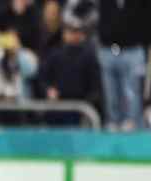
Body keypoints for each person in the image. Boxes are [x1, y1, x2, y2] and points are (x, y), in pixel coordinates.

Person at [96, 0, 149, 131]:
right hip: (108, 49)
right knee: (110, 94)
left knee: (132, 92)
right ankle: (112, 123)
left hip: (133, 50)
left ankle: (133, 123)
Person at [41, 21, 101, 126]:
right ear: (64, 34)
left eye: (76, 32)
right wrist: (48, 89)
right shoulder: (55, 55)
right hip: (57, 107)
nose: (74, 35)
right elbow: (43, 78)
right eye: (70, 32)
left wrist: (87, 103)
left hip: (81, 109)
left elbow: (95, 87)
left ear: (82, 35)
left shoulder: (89, 57)